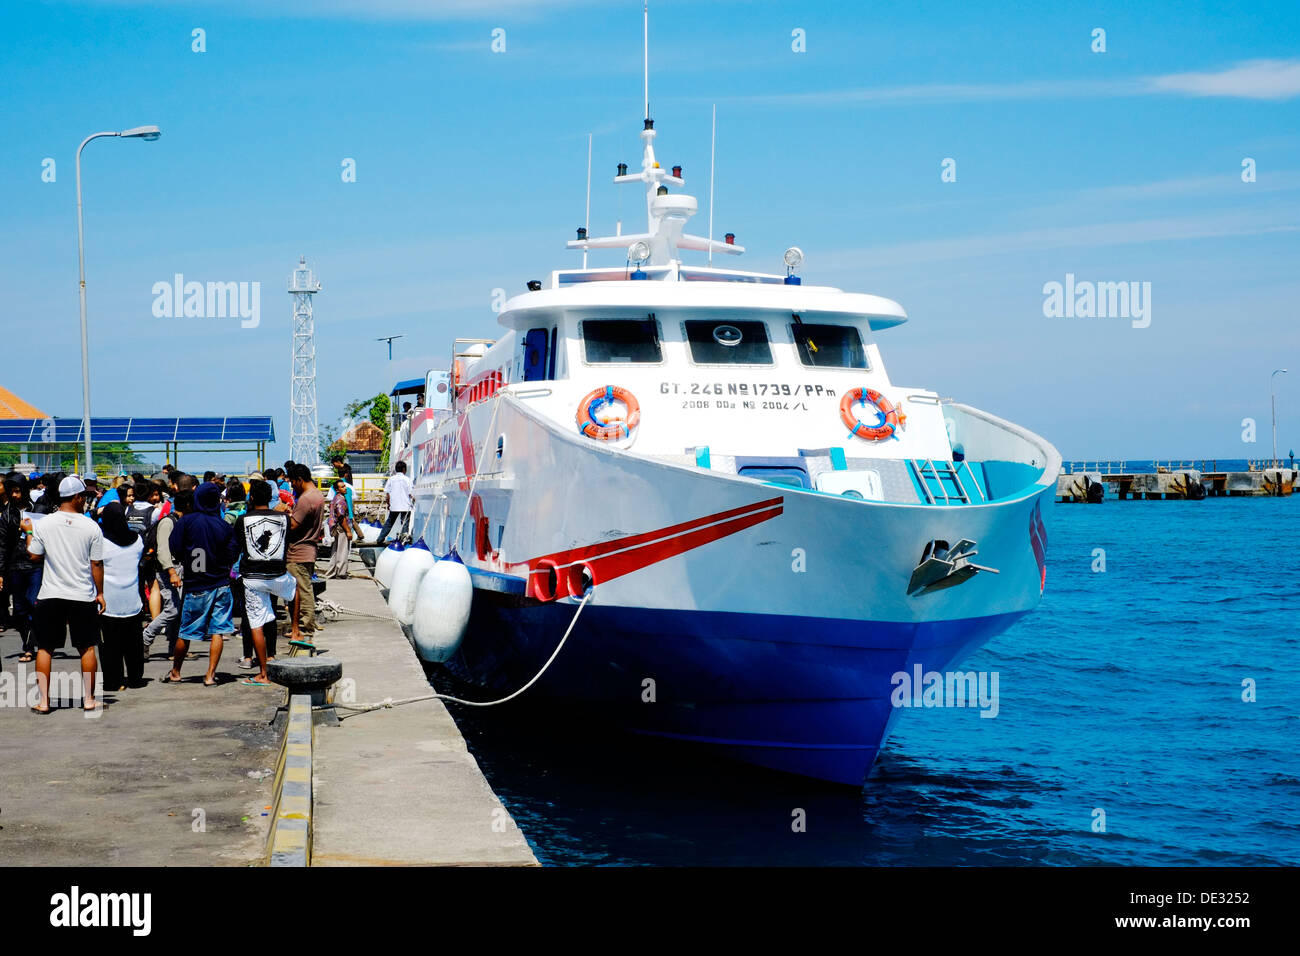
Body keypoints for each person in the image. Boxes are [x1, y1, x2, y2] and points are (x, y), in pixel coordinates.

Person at [25, 476, 105, 714]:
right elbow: (97, 564)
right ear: (78, 497)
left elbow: (34, 556)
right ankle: (89, 699)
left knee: (45, 648)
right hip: (81, 594)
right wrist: (100, 593)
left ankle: (44, 701)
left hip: (51, 593)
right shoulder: (91, 526)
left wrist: (28, 531)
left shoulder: (46, 524)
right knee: (87, 648)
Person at [164, 481, 236, 686]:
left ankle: (176, 671)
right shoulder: (223, 526)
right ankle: (210, 675)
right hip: (221, 584)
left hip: (196, 584)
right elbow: (232, 553)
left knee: (185, 631)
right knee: (218, 631)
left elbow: (175, 548)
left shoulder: (187, 522)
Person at [233, 479, 298, 683]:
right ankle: (296, 630)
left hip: (252, 577)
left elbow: (237, 549)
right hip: (278, 574)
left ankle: (263, 673)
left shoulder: (242, 520)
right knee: (295, 591)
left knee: (256, 624)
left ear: (251, 497)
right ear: (271, 497)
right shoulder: (284, 519)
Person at [142, 476, 196, 657]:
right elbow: (163, 551)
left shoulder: (180, 522)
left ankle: (174, 648)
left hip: (177, 570)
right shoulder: (168, 522)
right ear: (188, 505)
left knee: (178, 611)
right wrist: (172, 572)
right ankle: (145, 637)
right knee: (173, 610)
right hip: (168, 571)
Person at [97, 501, 145, 691]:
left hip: (108, 603)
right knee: (133, 645)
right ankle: (135, 678)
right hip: (133, 601)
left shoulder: (101, 543)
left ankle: (112, 681)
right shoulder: (138, 540)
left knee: (110, 647)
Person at [0, 474, 42, 664]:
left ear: (24, 490)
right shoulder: (7, 514)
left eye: (17, 491)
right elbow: (1, 545)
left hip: (36, 565)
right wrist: (1, 572)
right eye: (12, 492)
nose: (15, 495)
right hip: (15, 566)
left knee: (34, 603)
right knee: (19, 609)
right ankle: (28, 643)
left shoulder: (38, 510)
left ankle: (34, 646)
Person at [285, 464, 325, 635]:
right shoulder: (317, 495)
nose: (292, 486)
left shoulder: (305, 499)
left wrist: (283, 514)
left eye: (293, 482)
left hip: (298, 551)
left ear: (299, 480)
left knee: (302, 590)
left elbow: (293, 524)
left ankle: (304, 626)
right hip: (309, 549)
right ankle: (305, 624)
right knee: (305, 588)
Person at [375, 461, 413, 546]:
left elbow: (387, 494)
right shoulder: (407, 480)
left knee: (389, 523)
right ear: (404, 469)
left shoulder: (391, 479)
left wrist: (388, 504)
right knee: (404, 524)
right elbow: (410, 493)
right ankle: (403, 542)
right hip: (405, 506)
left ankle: (380, 538)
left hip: (394, 505)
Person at [324, 478, 355, 579]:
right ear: (337, 490)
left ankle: (332, 571)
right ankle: (341, 573)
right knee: (342, 550)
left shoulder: (336, 498)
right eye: (342, 487)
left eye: (344, 486)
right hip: (341, 528)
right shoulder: (341, 500)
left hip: (335, 527)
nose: (345, 488)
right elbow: (341, 517)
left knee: (335, 550)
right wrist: (348, 531)